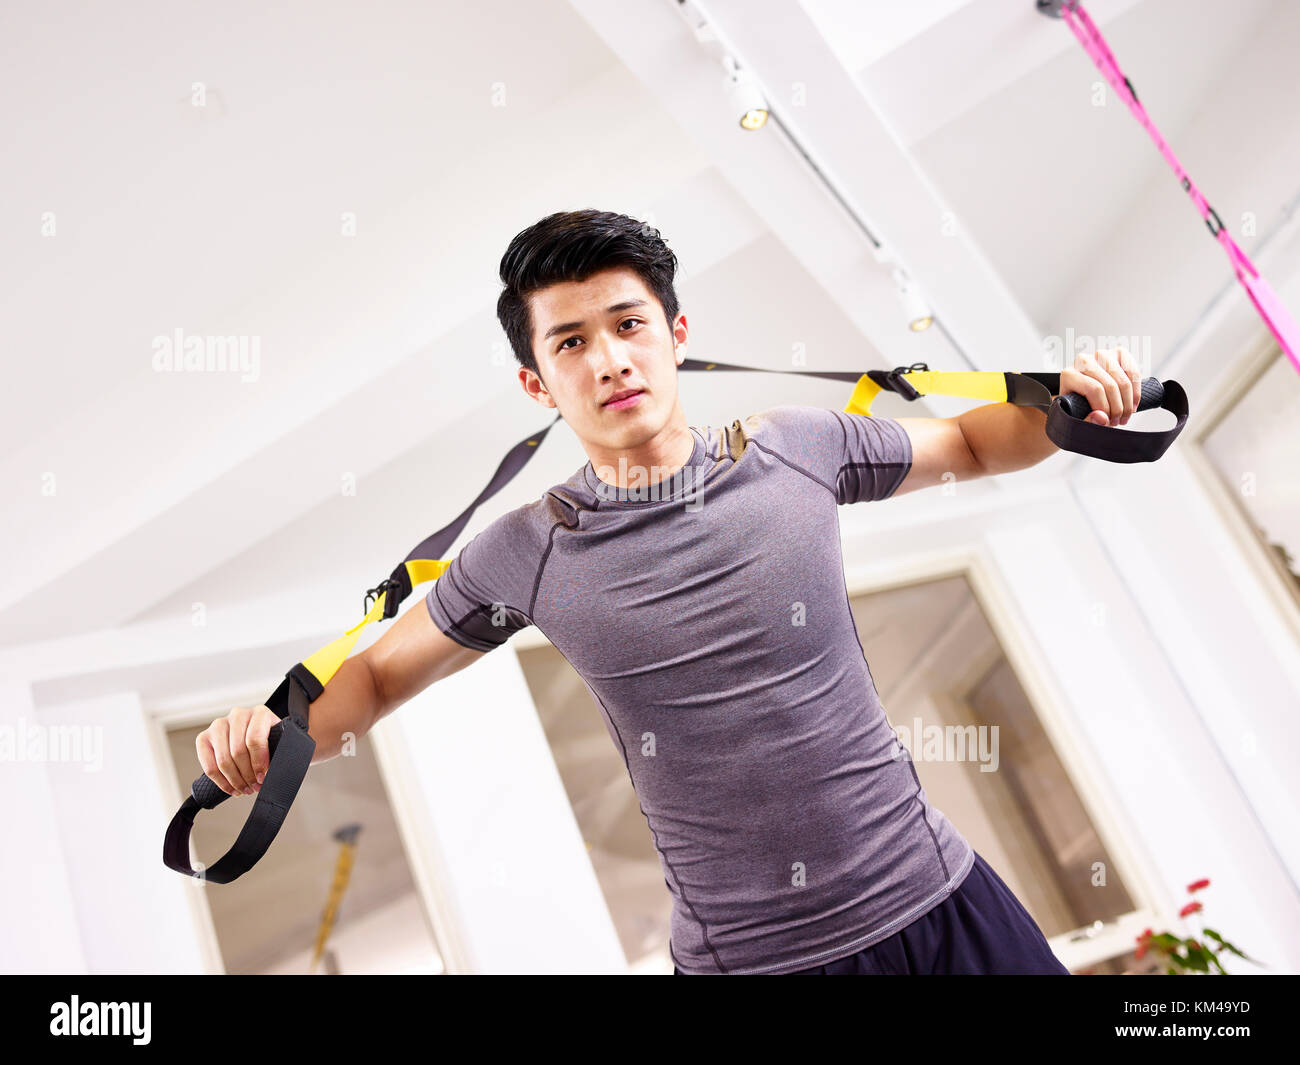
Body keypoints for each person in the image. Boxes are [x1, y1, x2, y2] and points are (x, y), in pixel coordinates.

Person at [199, 210, 1141, 974]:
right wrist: (274, 739)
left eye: (628, 324)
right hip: (755, 964)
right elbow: (375, 681)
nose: (608, 359)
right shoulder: (527, 548)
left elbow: (975, 444)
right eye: (571, 342)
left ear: (676, 335)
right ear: (538, 382)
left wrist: (1067, 407)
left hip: (942, 902)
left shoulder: (797, 448)